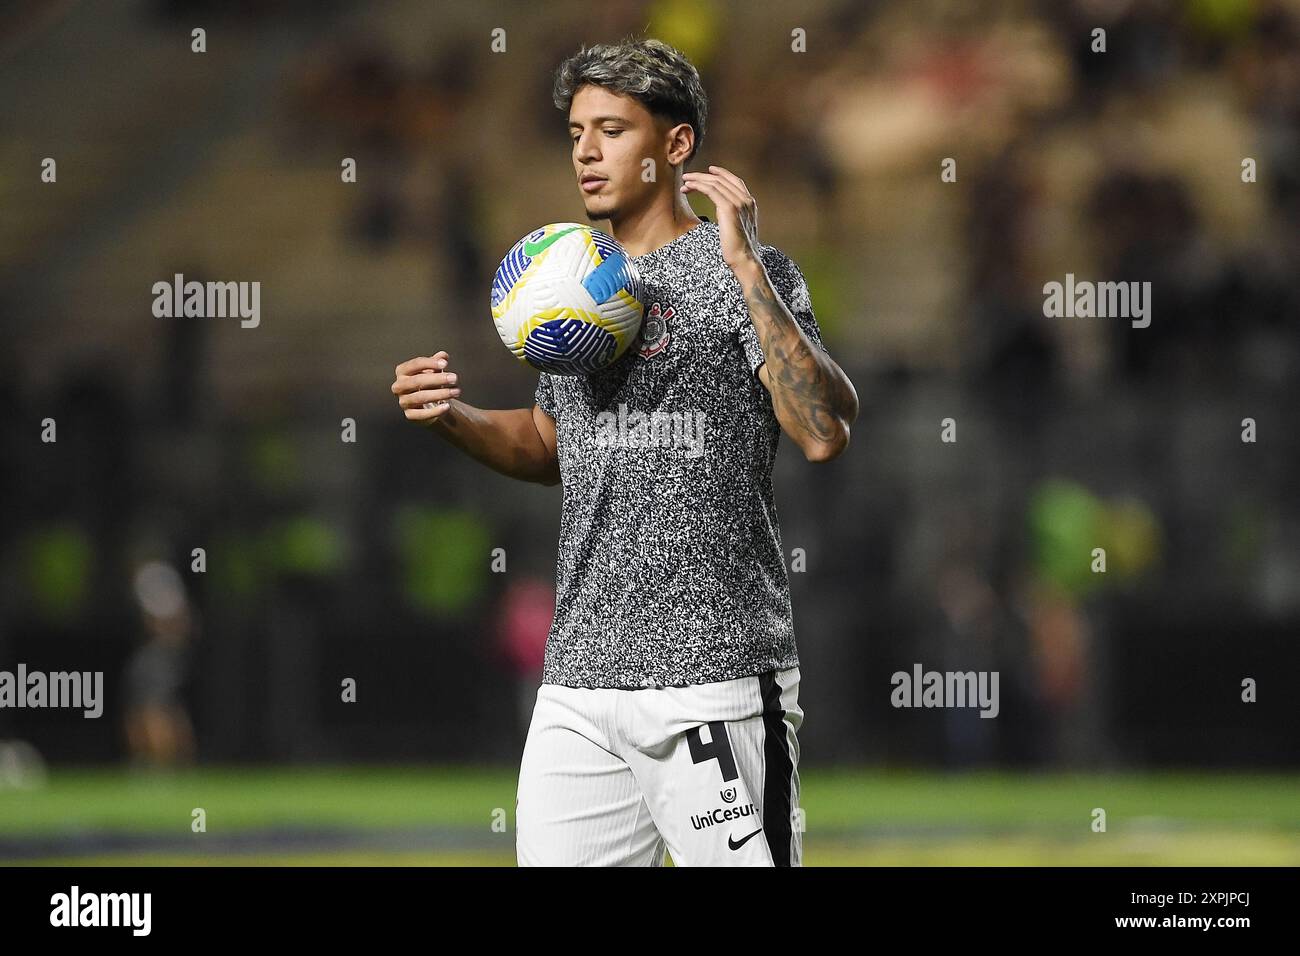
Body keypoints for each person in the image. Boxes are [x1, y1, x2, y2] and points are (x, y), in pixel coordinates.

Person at [390, 37, 858, 866]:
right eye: (576, 132)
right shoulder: (569, 274)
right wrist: (451, 416)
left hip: (713, 672)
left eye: (612, 129)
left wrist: (745, 263)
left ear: (675, 146)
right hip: (579, 681)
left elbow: (822, 429)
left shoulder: (744, 271)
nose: (586, 152)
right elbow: (551, 442)